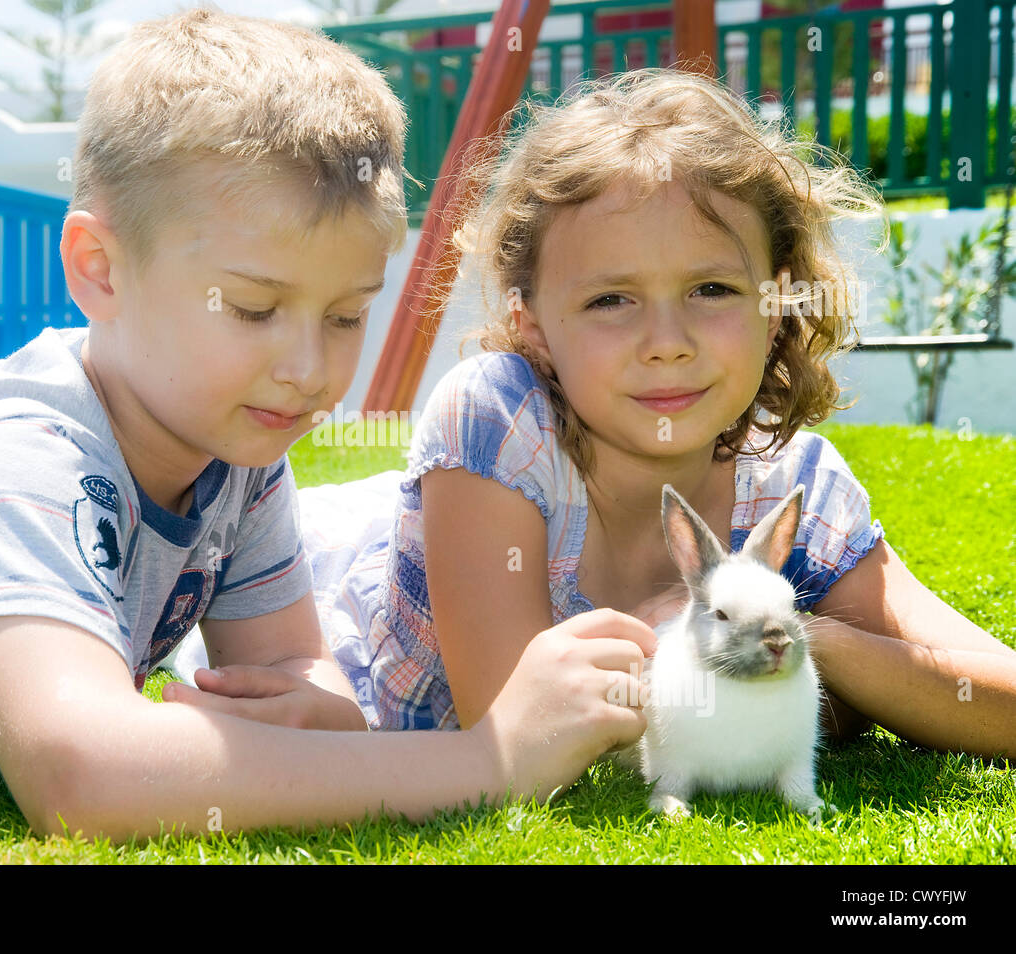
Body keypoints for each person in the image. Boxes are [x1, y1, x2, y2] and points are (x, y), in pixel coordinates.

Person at [0, 10, 658, 842]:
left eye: (344, 315)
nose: (309, 367)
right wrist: (487, 761)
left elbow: (294, 667)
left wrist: (320, 715)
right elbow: (83, 774)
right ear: (100, 269)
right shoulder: (11, 462)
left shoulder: (235, 452)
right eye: (252, 308)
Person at [209, 68, 1016, 759]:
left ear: (776, 304)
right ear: (533, 327)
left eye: (711, 290)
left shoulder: (794, 485)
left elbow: (1000, 698)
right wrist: (792, 680)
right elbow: (528, 727)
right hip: (335, 583)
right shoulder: (494, 418)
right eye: (609, 300)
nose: (666, 343)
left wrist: (824, 647)